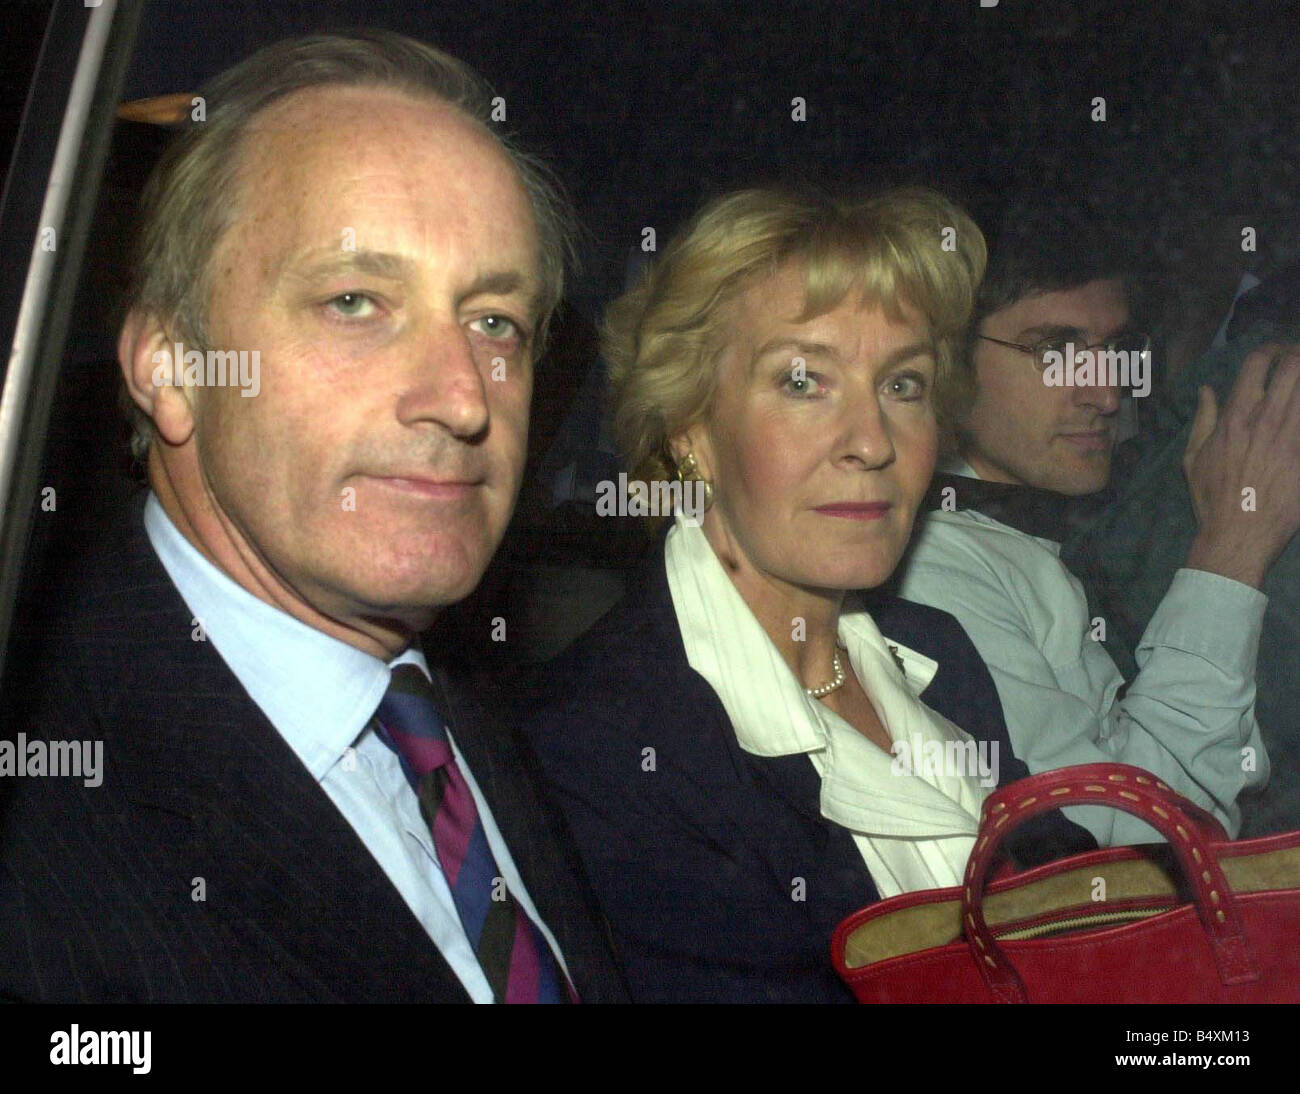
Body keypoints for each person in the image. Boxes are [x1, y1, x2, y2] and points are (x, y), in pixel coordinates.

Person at [0, 31, 627, 1004]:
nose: (464, 397)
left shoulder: (454, 712)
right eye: (354, 301)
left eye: (495, 319)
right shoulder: (48, 819)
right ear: (171, 366)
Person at [520, 186, 1095, 1003]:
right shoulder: (606, 747)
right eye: (803, 382)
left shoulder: (937, 654)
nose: (870, 442)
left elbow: (1070, 909)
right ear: (689, 429)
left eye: (903, 385)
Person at [893, 204, 1300, 846]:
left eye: (1113, 351)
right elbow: (1127, 851)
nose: (1107, 394)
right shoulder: (930, 575)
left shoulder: (1085, 504)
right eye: (1054, 352)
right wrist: (1230, 557)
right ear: (946, 360)